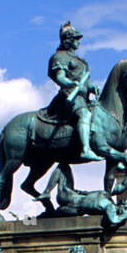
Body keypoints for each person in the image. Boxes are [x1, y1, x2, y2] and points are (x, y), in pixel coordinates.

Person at [44, 21, 101, 162]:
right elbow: (60, 78)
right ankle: (85, 149)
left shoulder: (81, 60)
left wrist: (92, 87)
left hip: (84, 97)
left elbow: (86, 82)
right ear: (68, 41)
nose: (79, 42)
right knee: (85, 115)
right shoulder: (59, 57)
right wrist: (71, 83)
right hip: (69, 96)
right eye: (76, 39)